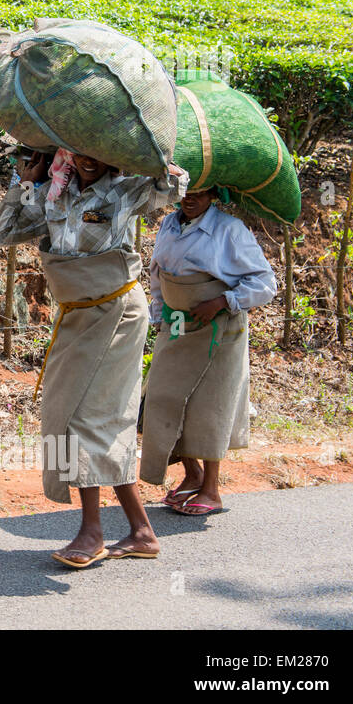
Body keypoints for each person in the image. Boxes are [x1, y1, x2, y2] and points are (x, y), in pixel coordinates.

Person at [0, 149, 187, 569]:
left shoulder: (126, 191)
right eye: (79, 152)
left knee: (89, 418)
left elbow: (173, 187)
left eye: (98, 150)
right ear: (65, 154)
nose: (88, 160)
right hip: (76, 314)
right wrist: (26, 180)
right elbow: (4, 233)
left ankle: (92, 531)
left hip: (116, 311)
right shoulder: (52, 196)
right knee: (73, 414)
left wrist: (156, 157)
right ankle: (140, 531)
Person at [140, 186, 276, 516]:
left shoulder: (229, 230)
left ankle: (212, 490)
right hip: (176, 326)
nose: (191, 198)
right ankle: (192, 474)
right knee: (162, 398)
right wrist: (159, 315)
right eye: (187, 191)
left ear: (214, 195)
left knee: (209, 406)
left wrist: (221, 302)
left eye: (200, 193)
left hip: (220, 329)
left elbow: (265, 282)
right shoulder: (168, 225)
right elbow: (158, 275)